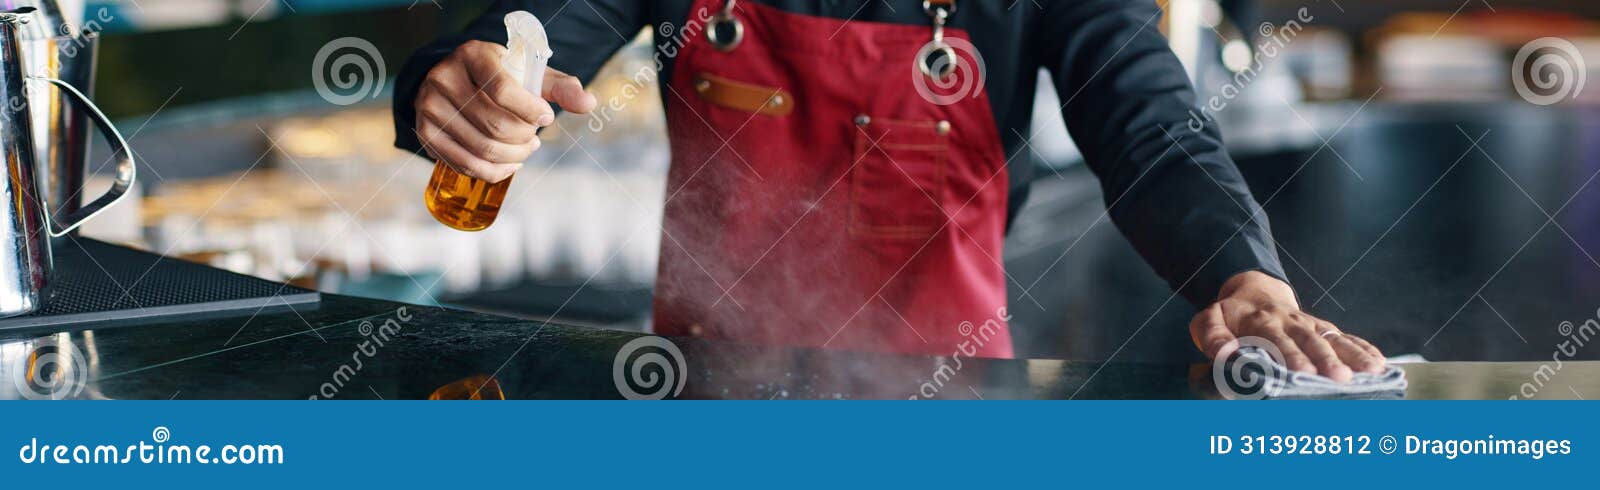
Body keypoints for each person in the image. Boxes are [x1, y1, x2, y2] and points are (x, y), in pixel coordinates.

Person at [393, 0, 1386, 381]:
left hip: (951, 402)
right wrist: (447, 86)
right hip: (704, 393)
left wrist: (1241, 270)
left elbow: (1152, 128)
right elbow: (518, 36)